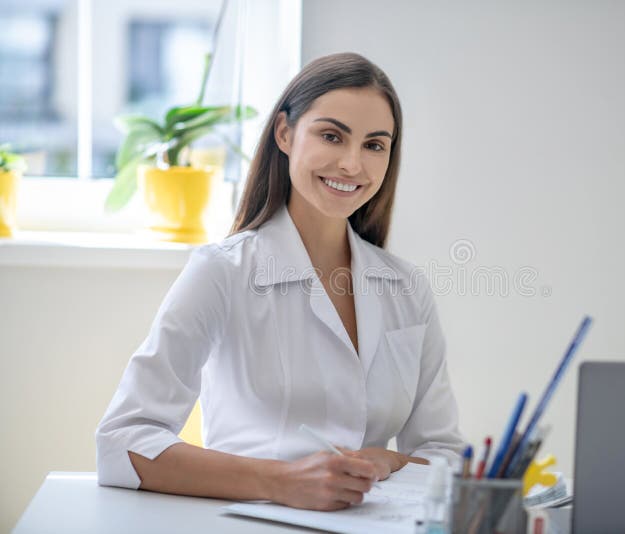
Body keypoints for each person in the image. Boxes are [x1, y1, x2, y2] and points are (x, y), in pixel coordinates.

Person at [95, 52, 464, 511]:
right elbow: (122, 441)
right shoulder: (222, 271)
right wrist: (282, 481)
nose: (353, 164)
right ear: (285, 134)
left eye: (374, 145)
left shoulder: (407, 288)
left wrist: (388, 462)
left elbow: (444, 454)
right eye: (332, 136)